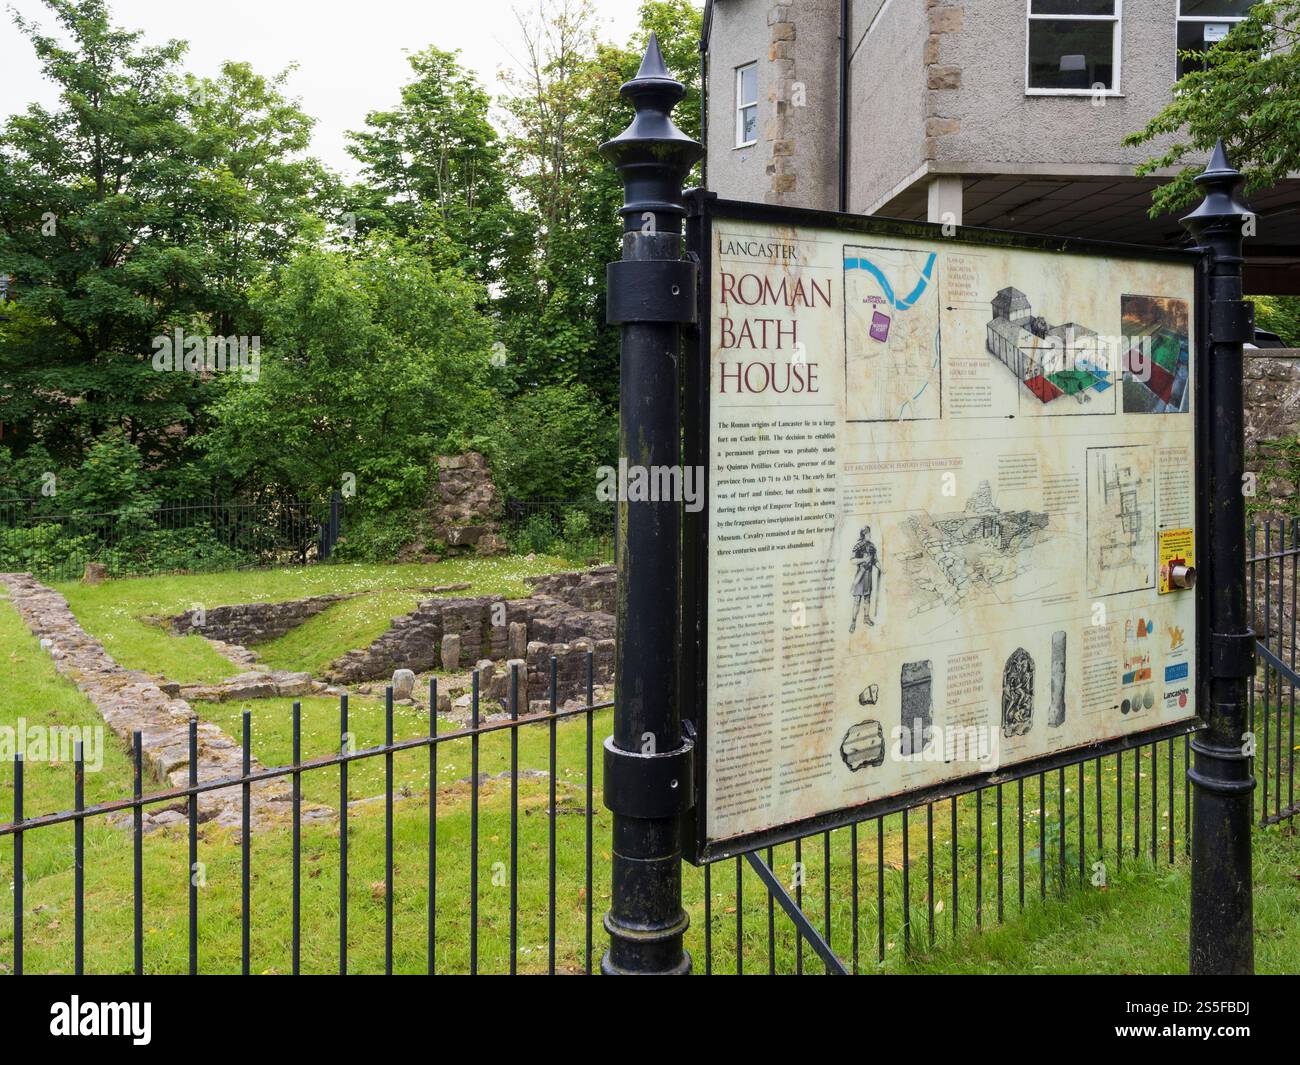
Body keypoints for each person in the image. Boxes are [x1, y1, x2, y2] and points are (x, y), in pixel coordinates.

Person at [849, 526, 882, 633]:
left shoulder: (872, 546)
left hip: (868, 576)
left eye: (870, 533)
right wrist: (863, 559)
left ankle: (866, 618)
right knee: (857, 600)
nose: (870, 535)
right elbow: (852, 560)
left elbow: (875, 560)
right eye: (867, 534)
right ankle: (853, 622)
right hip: (860, 576)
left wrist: (880, 566)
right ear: (863, 535)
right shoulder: (858, 546)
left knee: (867, 598)